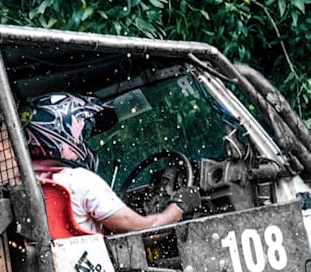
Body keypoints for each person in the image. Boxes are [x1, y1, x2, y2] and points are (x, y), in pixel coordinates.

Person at [24, 93, 199, 234]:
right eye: (86, 135)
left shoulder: (25, 182)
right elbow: (145, 230)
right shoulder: (80, 181)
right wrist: (179, 205)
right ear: (68, 135)